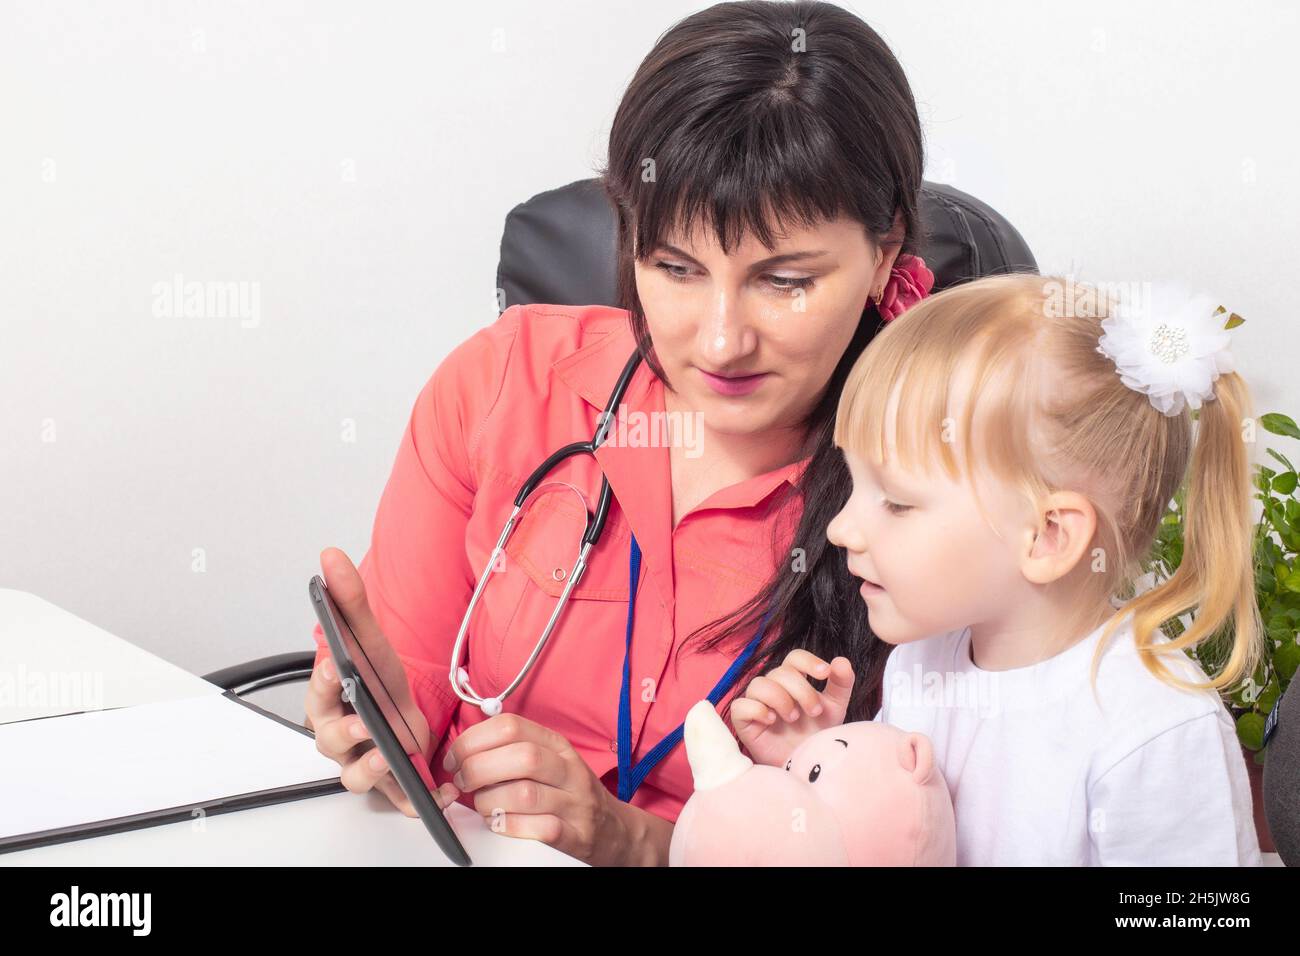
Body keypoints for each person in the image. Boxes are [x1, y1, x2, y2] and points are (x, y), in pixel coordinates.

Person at [303, 0, 935, 866]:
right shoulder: (504, 386)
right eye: (675, 268)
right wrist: (385, 732)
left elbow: (908, 844)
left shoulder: (940, 493)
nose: (718, 340)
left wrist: (633, 843)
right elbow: (409, 704)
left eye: (783, 281)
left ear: (886, 246)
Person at [733, 273, 1263, 865]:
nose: (839, 528)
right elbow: (903, 839)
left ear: (1049, 536)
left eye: (898, 501)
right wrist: (823, 760)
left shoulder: (1152, 729)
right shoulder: (921, 664)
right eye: (856, 483)